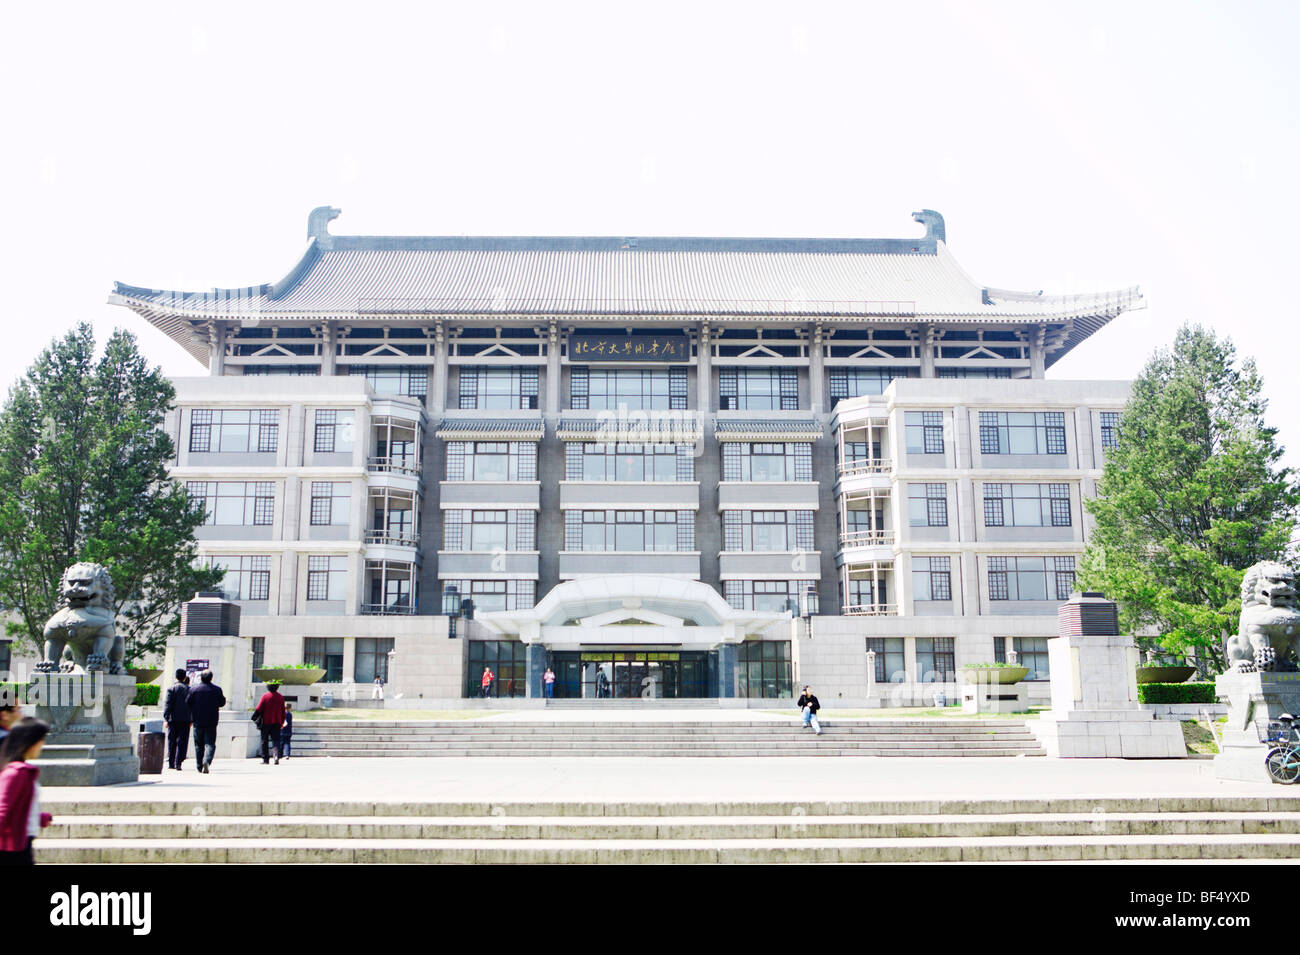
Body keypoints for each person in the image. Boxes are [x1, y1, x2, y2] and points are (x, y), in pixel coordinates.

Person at [0, 718, 52, 865]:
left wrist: (39, 817)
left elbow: (20, 806)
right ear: (29, 742)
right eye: (41, 739)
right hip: (11, 850)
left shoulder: (23, 771)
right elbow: (2, 811)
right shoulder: (16, 773)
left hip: (22, 843)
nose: (43, 744)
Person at [185, 669, 226, 773]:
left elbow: (187, 702)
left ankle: (199, 766)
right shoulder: (217, 689)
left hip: (197, 721)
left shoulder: (194, 689)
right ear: (211, 678)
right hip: (212, 721)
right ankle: (206, 761)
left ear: (201, 677)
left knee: (198, 744)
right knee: (210, 744)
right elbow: (222, 703)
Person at [162, 668, 192, 771]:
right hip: (185, 720)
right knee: (182, 741)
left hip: (173, 719)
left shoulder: (171, 689)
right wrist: (191, 719)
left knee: (172, 741)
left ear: (175, 677)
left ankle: (171, 763)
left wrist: (166, 717)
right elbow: (191, 705)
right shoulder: (189, 689)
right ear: (184, 677)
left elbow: (168, 704)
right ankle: (178, 762)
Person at [253, 681, 285, 765]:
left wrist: (254, 716)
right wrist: (282, 722)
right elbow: (283, 711)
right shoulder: (280, 697)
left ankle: (265, 759)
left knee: (264, 740)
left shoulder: (265, 696)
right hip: (277, 722)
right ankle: (276, 756)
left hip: (266, 722)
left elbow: (259, 708)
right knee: (276, 740)